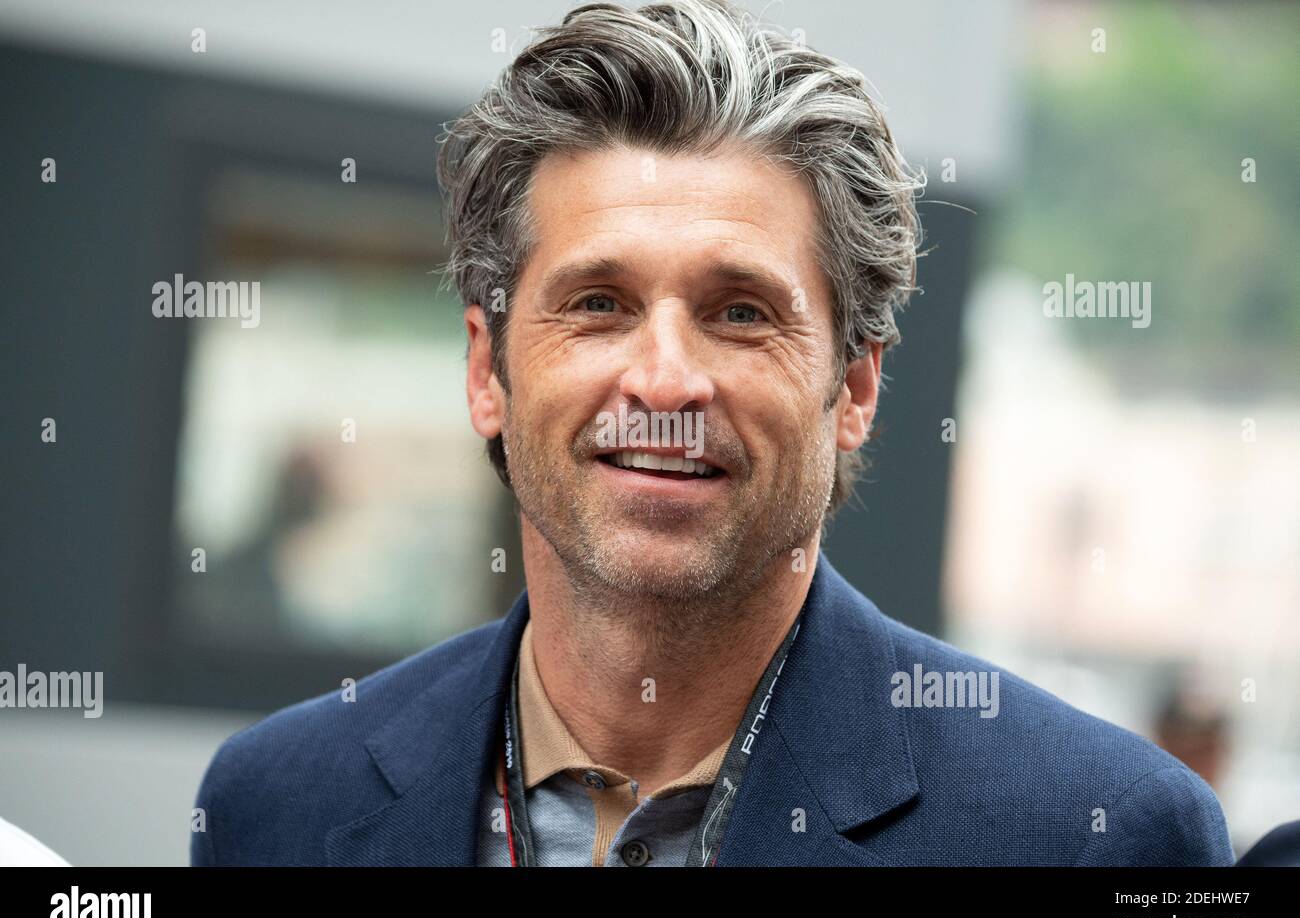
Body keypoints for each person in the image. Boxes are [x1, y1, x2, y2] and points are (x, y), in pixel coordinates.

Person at [191, 0, 1233, 867]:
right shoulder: (274, 806)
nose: (664, 379)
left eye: (740, 311)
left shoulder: (1095, 835)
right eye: (597, 302)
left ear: (855, 384)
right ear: (486, 369)